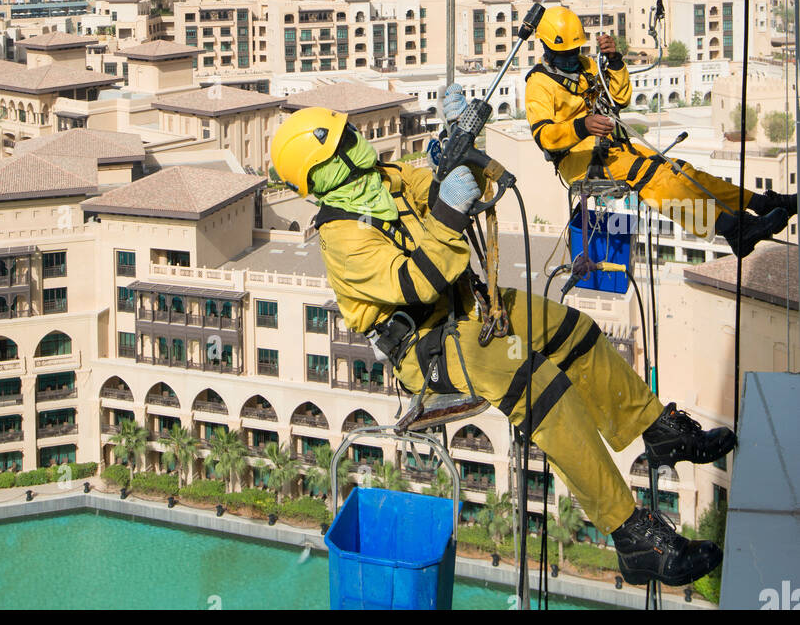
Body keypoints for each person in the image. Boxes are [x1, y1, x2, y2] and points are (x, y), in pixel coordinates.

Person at [271, 102, 732, 587]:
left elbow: (463, 193)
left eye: (350, 133)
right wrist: (447, 210)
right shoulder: (341, 237)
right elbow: (418, 281)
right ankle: (631, 534)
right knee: (539, 385)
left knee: (572, 332)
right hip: (427, 347)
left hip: (470, 307)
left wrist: (461, 157)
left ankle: (657, 429)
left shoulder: (388, 179)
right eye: (345, 143)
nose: (357, 143)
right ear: (324, 170)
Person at [524, 6, 796, 257]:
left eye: (575, 51)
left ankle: (761, 204)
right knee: (655, 178)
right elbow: (544, 137)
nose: (572, 58)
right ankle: (732, 228)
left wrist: (615, 61)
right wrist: (581, 126)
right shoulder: (538, 84)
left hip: (614, 149)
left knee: (683, 172)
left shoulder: (588, 66)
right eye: (565, 54)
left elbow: (619, 99)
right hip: (580, 161)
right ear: (547, 48)